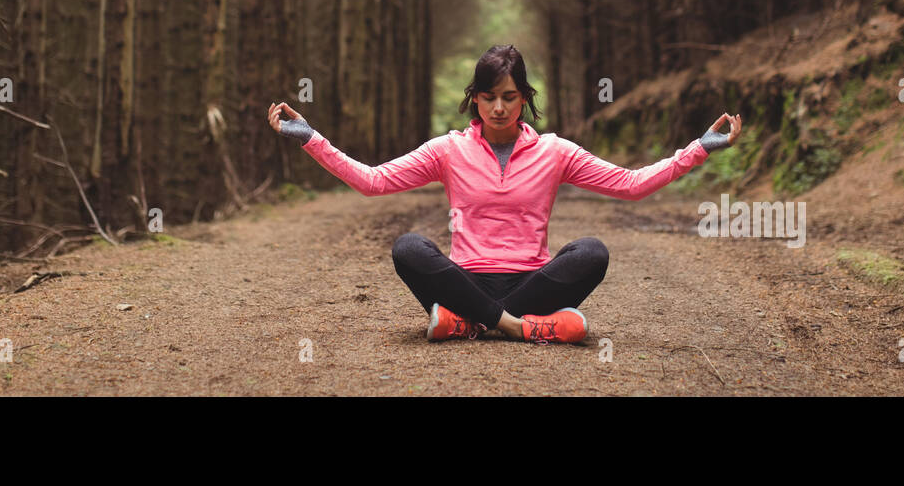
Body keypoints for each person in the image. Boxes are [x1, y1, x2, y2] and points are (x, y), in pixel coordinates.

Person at [267, 44, 741, 345]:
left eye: (510, 97)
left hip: (532, 284)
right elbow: (372, 181)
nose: (499, 107)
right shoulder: (447, 150)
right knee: (408, 247)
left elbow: (631, 185)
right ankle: (518, 328)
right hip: (465, 282)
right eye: (489, 96)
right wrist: (311, 138)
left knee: (592, 252)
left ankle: (471, 324)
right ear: (475, 97)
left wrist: (697, 150)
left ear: (524, 98)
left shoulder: (556, 151)